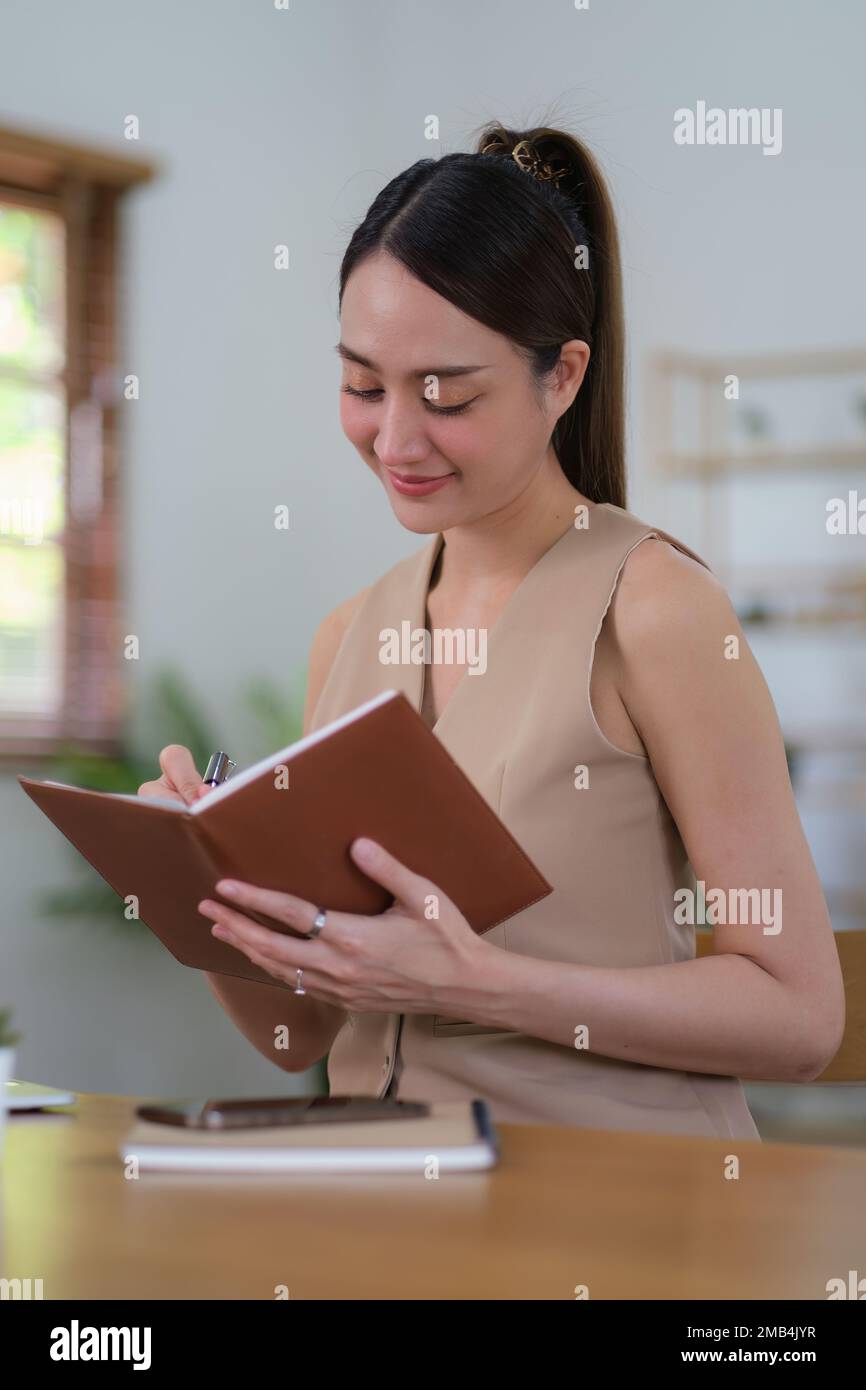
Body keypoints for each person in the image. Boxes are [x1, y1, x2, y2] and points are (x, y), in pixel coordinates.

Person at [139, 122, 844, 1139]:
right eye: (361, 385)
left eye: (446, 395)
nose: (394, 437)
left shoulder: (652, 610)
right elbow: (301, 1032)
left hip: (622, 1230)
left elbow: (798, 1015)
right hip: (382, 1212)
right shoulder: (348, 636)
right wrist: (199, 889)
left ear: (560, 375)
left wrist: (484, 983)